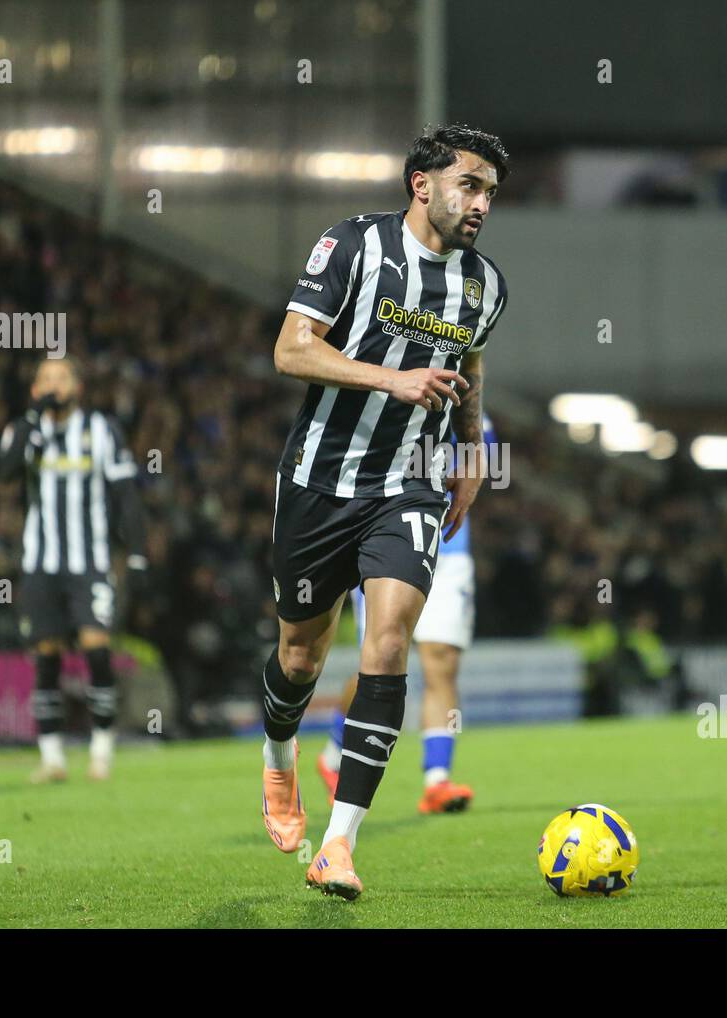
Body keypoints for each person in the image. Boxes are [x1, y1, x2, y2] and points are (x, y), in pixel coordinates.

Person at [262, 123, 510, 899]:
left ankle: (339, 843)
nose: (480, 204)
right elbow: (291, 350)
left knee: (392, 637)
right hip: (318, 479)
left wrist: (469, 457)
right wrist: (388, 379)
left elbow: (468, 364)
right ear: (422, 184)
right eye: (469, 185)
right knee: (299, 657)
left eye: (490, 193)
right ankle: (278, 758)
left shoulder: (485, 285)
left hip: (409, 483)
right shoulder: (351, 247)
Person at [317, 415, 497, 815]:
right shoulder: (390, 390)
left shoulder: (475, 416)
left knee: (442, 663)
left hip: (448, 548)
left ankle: (437, 780)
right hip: (389, 543)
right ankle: (334, 750)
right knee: (381, 657)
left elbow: (481, 466)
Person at [0, 358, 148, 782]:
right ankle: (52, 758)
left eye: (62, 377)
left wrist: (136, 553)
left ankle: (101, 749)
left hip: (90, 563)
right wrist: (30, 417)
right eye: (45, 378)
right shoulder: (24, 430)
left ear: (78, 386)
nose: (53, 385)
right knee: (45, 656)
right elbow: (2, 472)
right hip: (40, 564)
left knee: (97, 647)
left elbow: (126, 495)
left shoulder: (102, 430)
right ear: (34, 388)